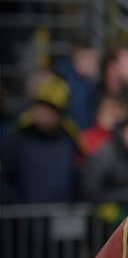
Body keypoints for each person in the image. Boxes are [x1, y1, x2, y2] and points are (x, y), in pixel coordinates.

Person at [1, 74, 80, 204]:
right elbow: (5, 180)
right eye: (40, 106)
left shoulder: (69, 141)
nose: (43, 113)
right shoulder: (16, 138)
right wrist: (18, 206)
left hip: (60, 219)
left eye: (51, 109)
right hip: (25, 220)